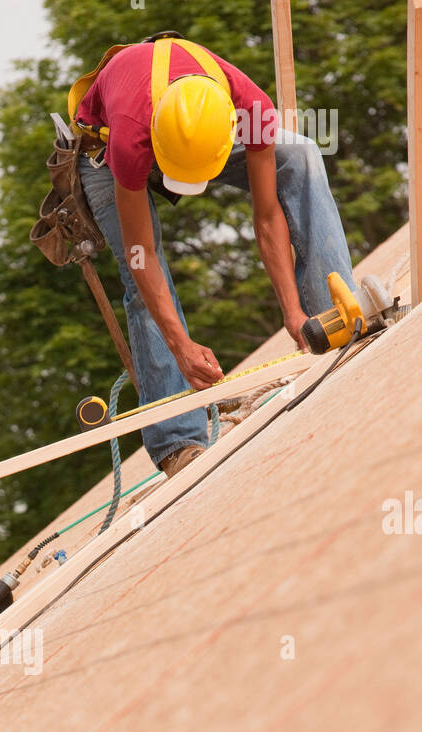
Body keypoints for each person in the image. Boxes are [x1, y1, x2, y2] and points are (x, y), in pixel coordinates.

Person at [72, 35, 357, 476]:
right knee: (145, 282)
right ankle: (177, 442)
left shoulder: (251, 109)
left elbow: (267, 217)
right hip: (105, 153)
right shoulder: (130, 138)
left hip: (191, 131)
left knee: (299, 155)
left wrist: (294, 311)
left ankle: (333, 321)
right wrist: (180, 346)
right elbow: (140, 253)